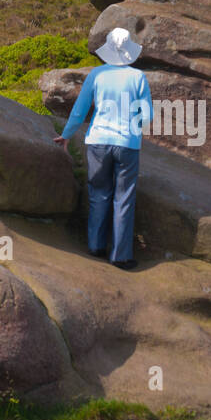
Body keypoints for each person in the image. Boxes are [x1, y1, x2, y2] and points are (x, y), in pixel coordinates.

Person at [53, 27, 152, 270]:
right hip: (127, 144)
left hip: (98, 141)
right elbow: (147, 115)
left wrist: (65, 136)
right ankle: (120, 256)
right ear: (129, 51)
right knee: (124, 199)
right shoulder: (138, 77)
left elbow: (79, 110)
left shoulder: (96, 75)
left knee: (98, 194)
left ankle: (96, 246)